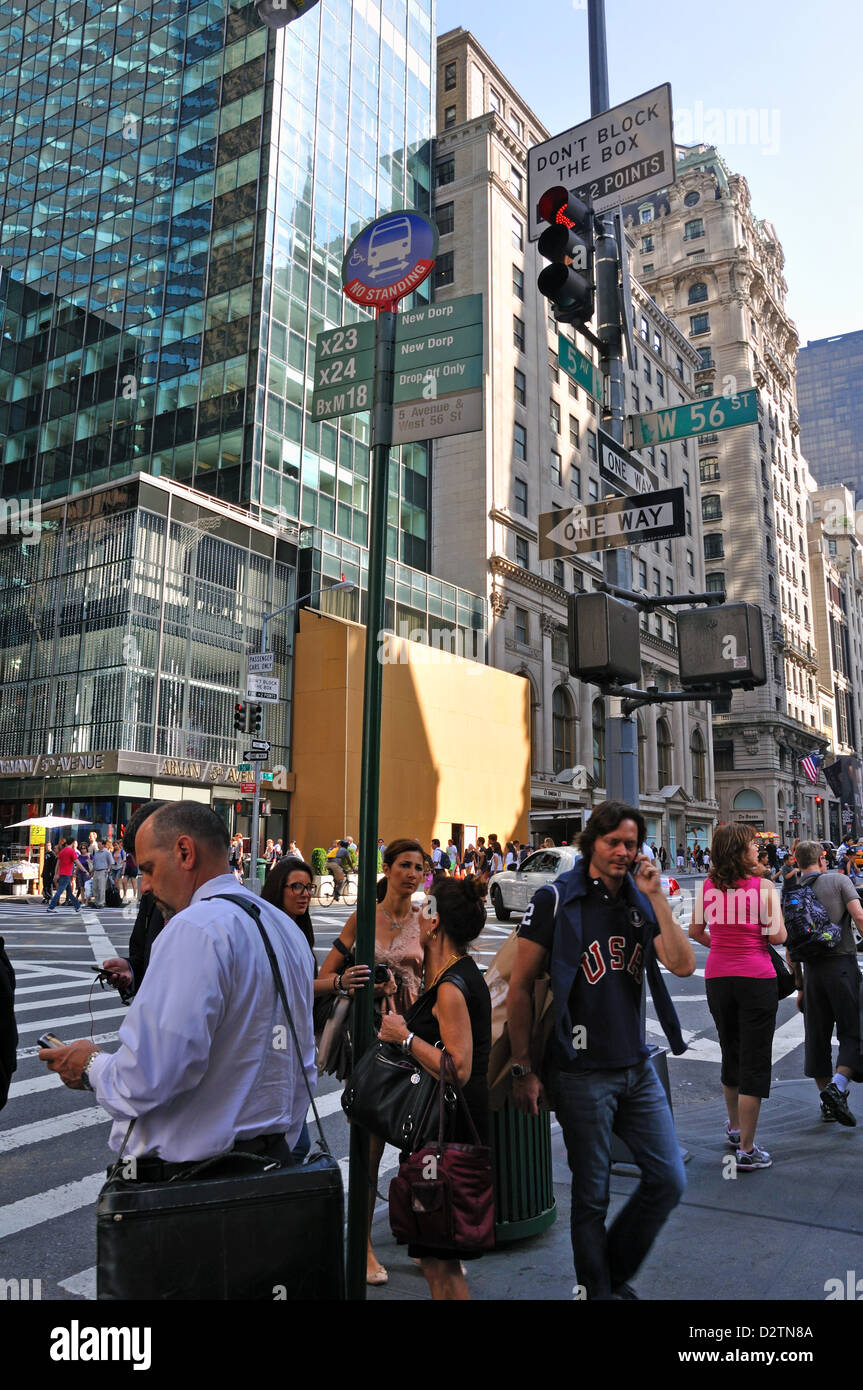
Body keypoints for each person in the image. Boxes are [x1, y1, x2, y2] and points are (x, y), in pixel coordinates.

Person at [39, 801, 315, 1175]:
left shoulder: (194, 928)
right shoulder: (285, 928)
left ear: (185, 852)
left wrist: (88, 1065)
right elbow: (301, 1066)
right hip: (270, 1167)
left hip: (191, 1183)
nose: (146, 885)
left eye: (149, 869)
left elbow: (148, 1076)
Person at [507, 800, 695, 1300]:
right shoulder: (555, 899)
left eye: (631, 844)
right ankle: (599, 1289)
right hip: (579, 1072)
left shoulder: (637, 899)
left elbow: (681, 964)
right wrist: (524, 1067)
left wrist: (657, 899)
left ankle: (608, 1275)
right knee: (591, 1197)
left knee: (669, 1178)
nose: (622, 852)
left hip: (635, 1065)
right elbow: (520, 986)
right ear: (593, 842)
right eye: (613, 842)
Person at [378, 876, 492, 1301]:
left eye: (425, 909)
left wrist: (405, 1039)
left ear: (436, 923)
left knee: (442, 1261)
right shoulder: (448, 976)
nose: (418, 915)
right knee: (432, 1256)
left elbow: (458, 1068)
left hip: (450, 1136)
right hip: (445, 1130)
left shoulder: (450, 987)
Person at [320, 838, 424, 1286]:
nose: (413, 873)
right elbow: (327, 975)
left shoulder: (426, 921)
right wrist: (351, 981)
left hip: (415, 1036)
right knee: (369, 1144)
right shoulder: (363, 916)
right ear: (387, 868)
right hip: (372, 1038)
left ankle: (423, 1237)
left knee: (421, 1143)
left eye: (419, 867)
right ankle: (360, 1244)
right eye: (404, 865)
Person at [689, 825, 786, 1170]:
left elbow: (696, 932)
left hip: (719, 978)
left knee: (731, 1053)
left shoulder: (708, 888)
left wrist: (725, 946)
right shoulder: (764, 888)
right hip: (756, 978)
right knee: (755, 1061)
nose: (757, 849)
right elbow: (777, 937)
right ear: (739, 851)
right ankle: (747, 1149)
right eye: (751, 845)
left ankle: (733, 1128)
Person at [790, 841, 863, 1126]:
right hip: (842, 967)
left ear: (796, 862)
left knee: (817, 1038)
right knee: (853, 1030)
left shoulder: (793, 891)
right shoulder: (839, 880)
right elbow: (858, 916)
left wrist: (800, 986)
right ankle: (838, 1087)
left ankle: (828, 1101)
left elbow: (791, 945)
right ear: (822, 858)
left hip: (812, 974)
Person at [100, 803, 168, 1000]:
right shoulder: (152, 900)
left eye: (150, 869)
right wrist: (131, 970)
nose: (144, 886)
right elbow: (142, 953)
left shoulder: (215, 923)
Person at [46, 839, 84, 913]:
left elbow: (58, 863)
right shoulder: (72, 851)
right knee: (59, 891)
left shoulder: (62, 851)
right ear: (73, 843)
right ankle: (51, 907)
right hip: (67, 874)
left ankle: (77, 907)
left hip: (61, 873)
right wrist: (84, 870)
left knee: (69, 893)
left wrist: (56, 874)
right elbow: (77, 862)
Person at [90, 840, 114, 909]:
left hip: (103, 871)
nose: (98, 845)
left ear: (103, 845)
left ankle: (101, 903)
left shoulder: (107, 852)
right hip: (96, 871)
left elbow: (111, 862)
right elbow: (94, 863)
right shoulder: (96, 853)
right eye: (98, 844)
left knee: (101, 888)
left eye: (100, 844)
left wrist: (108, 869)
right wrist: (91, 872)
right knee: (94, 888)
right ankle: (96, 902)